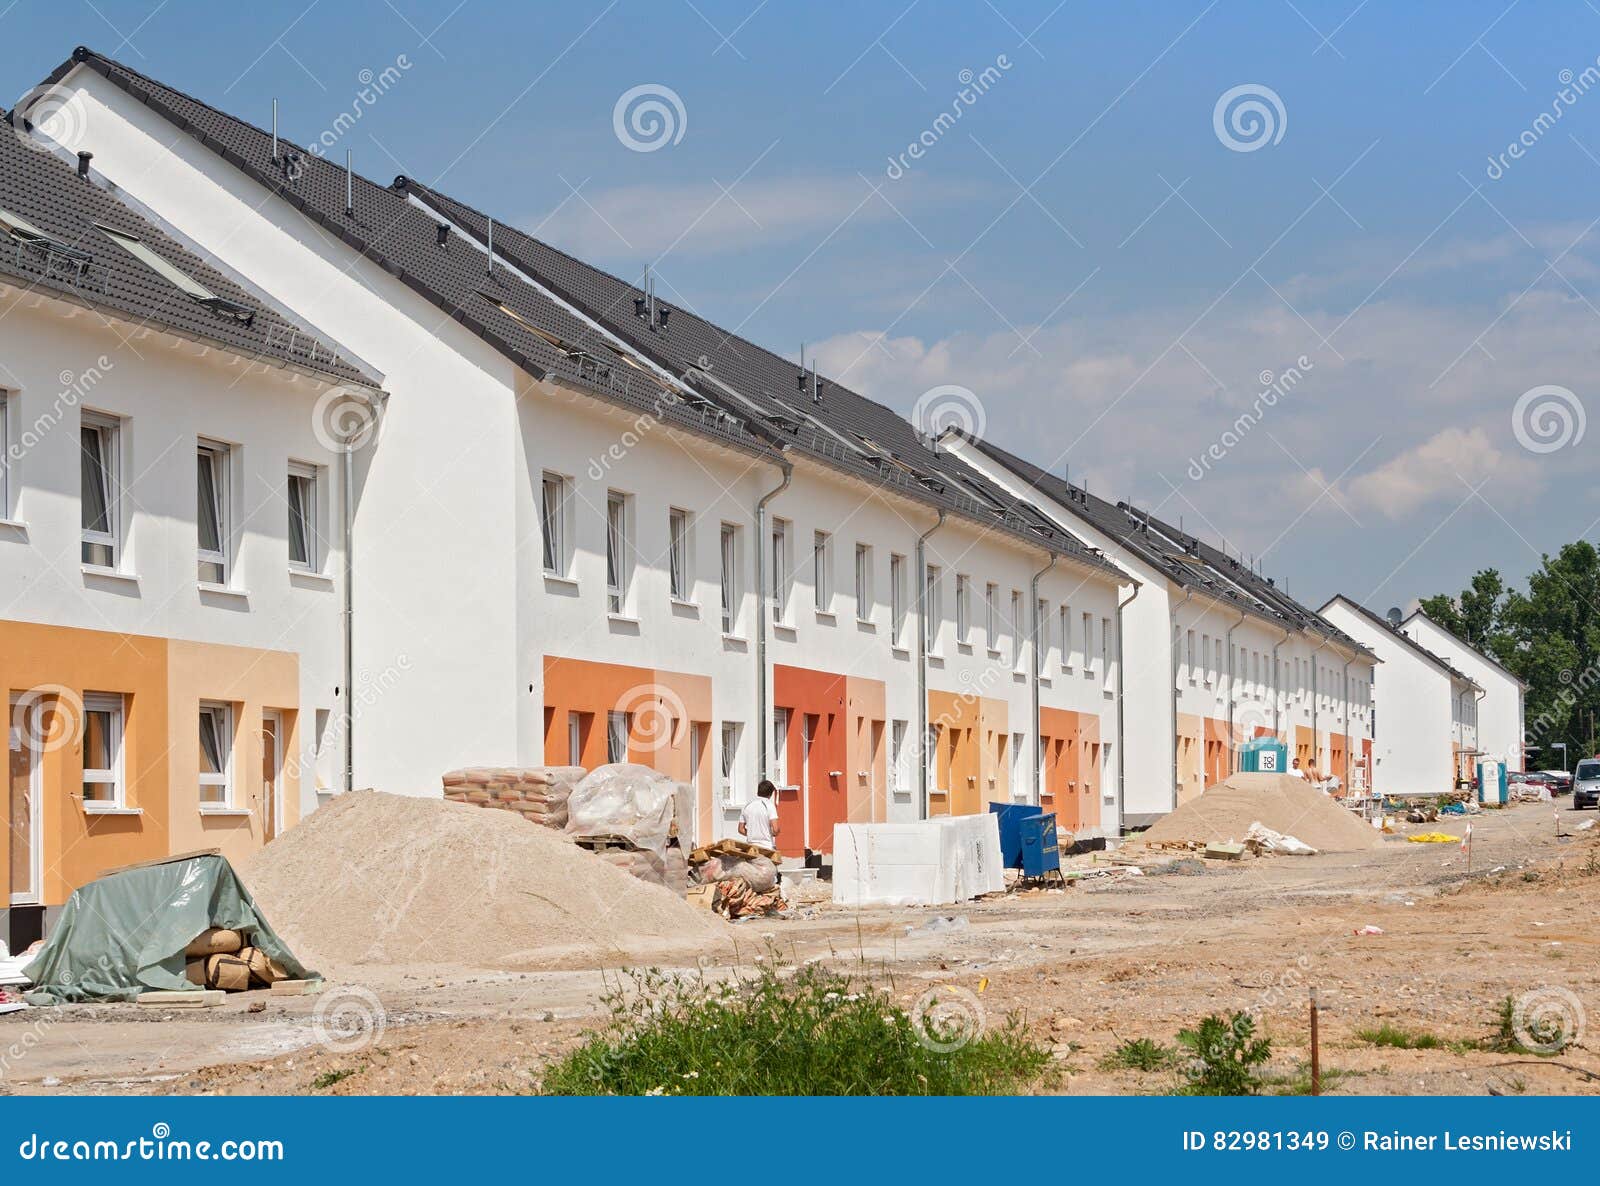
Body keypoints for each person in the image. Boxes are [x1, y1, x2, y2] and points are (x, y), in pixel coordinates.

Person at [739, 779, 780, 850]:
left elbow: (740, 829)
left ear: (758, 791)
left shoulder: (747, 806)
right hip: (766, 847)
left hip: (751, 847)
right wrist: (776, 832)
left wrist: (752, 834)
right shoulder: (770, 806)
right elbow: (775, 830)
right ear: (770, 793)